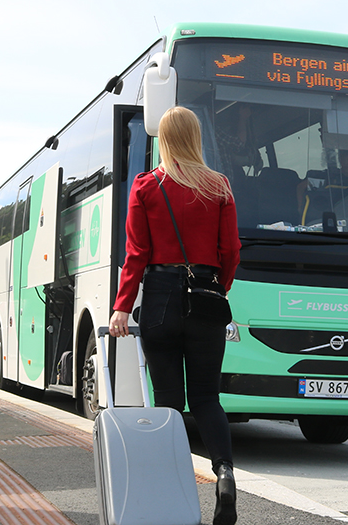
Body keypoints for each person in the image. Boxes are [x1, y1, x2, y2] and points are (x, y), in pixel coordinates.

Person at [110, 106, 240, 525]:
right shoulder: (218, 187)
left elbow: (136, 254)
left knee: (168, 403)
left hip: (162, 297)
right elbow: (231, 251)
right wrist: (218, 289)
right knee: (207, 397)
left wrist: (122, 307)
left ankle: (175, 490)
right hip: (206, 295)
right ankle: (224, 473)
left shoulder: (147, 186)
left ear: (163, 139)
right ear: (196, 137)